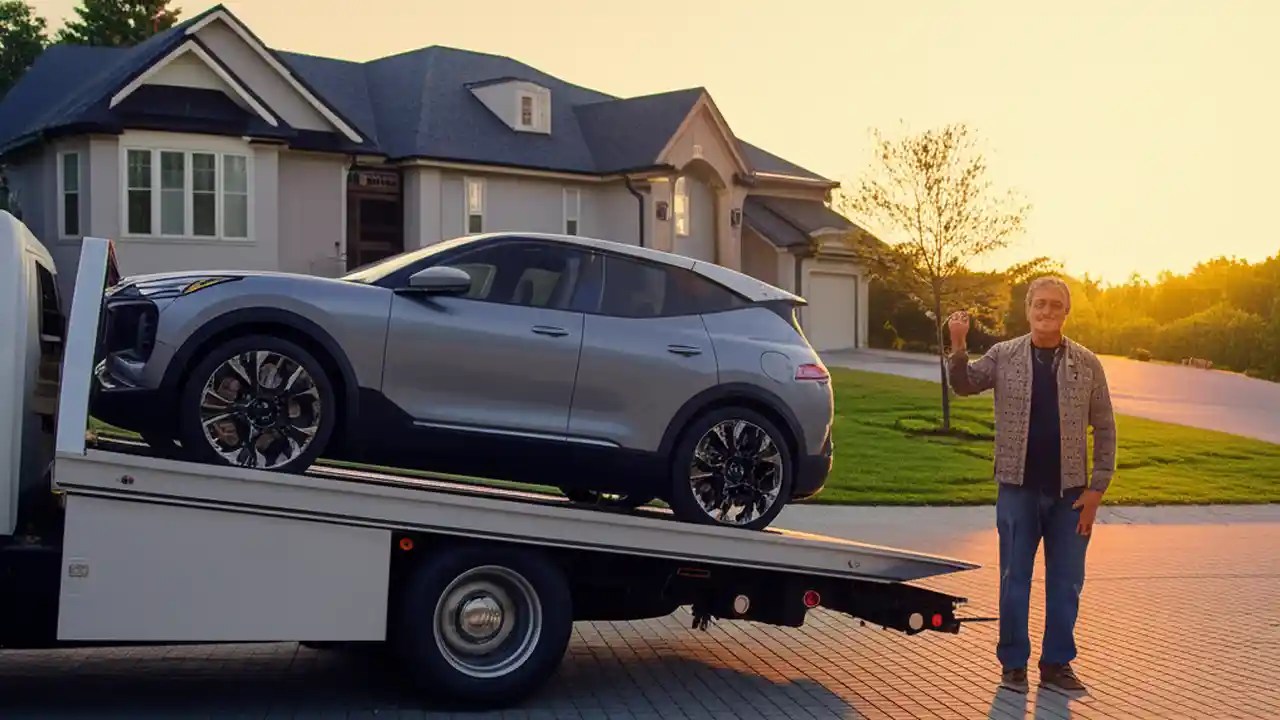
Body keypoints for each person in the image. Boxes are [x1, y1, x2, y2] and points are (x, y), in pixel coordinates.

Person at [946, 276, 1116, 695]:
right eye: (1040, 304)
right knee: (1014, 577)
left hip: (1071, 496)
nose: (1047, 311)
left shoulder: (1087, 363)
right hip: (1017, 490)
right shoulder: (1004, 355)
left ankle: (1056, 664)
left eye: (1055, 305)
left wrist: (1096, 490)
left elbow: (1105, 427)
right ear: (1028, 309)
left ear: (1066, 312)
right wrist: (958, 342)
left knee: (1067, 582)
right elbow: (964, 384)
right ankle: (1013, 664)